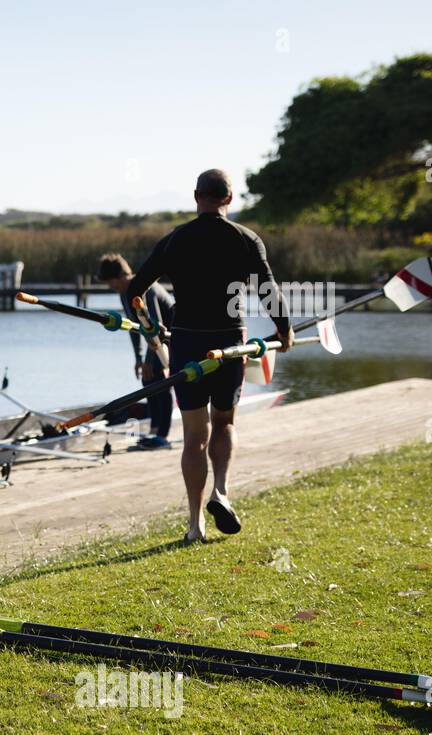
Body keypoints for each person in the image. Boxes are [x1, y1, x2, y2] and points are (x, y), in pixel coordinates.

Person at [125, 169, 293, 543]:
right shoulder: (247, 240)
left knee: (193, 437)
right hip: (231, 342)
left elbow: (135, 290)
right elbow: (269, 291)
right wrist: (284, 330)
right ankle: (221, 490)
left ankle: (194, 524)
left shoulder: (175, 240)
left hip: (186, 343)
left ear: (196, 196)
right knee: (225, 423)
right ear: (230, 199)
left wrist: (149, 326)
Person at [97, 252, 173, 449]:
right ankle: (154, 431)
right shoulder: (125, 294)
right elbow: (133, 328)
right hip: (155, 341)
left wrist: (150, 360)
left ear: (122, 276)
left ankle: (162, 436)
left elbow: (156, 327)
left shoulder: (143, 289)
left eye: (111, 282)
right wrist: (139, 358)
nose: (110, 287)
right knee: (147, 381)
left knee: (159, 381)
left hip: (174, 335)